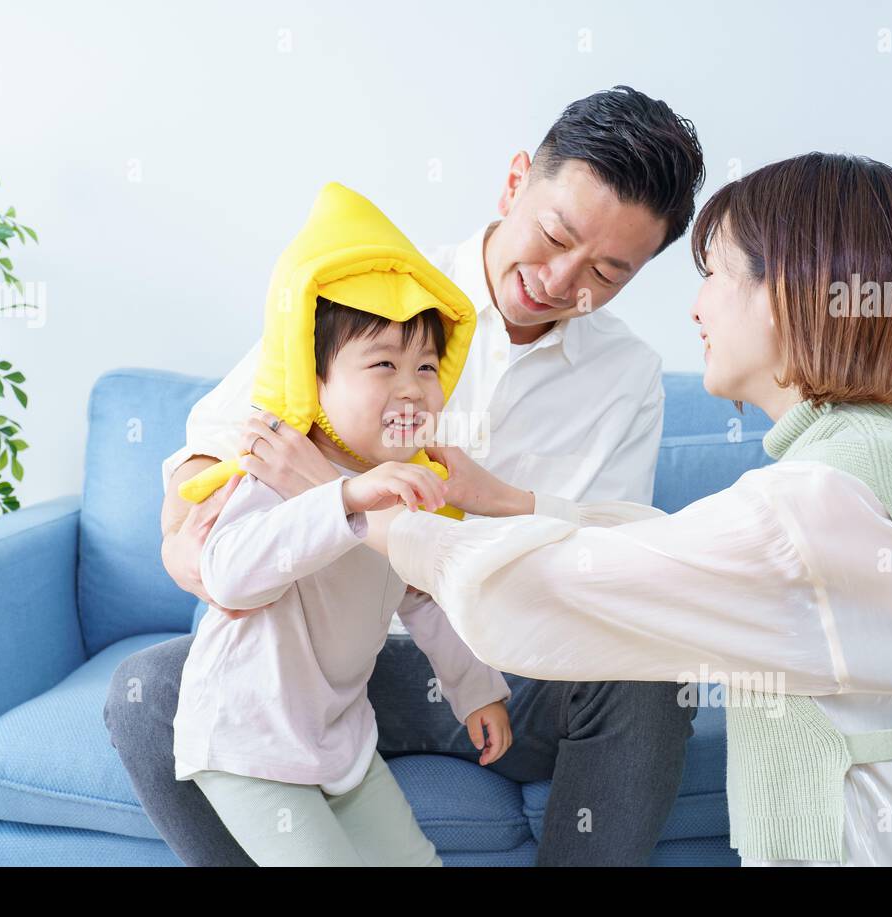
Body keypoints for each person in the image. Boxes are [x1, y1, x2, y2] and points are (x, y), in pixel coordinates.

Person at [335, 152, 892, 866]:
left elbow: (549, 594)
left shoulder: (812, 511)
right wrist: (510, 501)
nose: (695, 308)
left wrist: (379, 516)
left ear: (786, 292)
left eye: (713, 275)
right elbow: (689, 556)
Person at [105, 86, 708, 866]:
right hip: (322, 657)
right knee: (151, 692)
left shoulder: (627, 376)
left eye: (607, 271)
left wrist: (366, 491)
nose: (561, 280)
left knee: (652, 681)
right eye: (555, 235)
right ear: (516, 181)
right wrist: (191, 540)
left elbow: (599, 573)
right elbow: (212, 455)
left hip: (501, 660)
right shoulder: (372, 291)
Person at [173, 182, 511, 866]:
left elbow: (425, 593)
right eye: (382, 365)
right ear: (315, 377)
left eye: (425, 367)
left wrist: (476, 690)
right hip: (247, 740)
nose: (412, 388)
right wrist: (345, 496)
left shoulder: (413, 482)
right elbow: (229, 575)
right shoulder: (275, 466)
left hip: (340, 736)